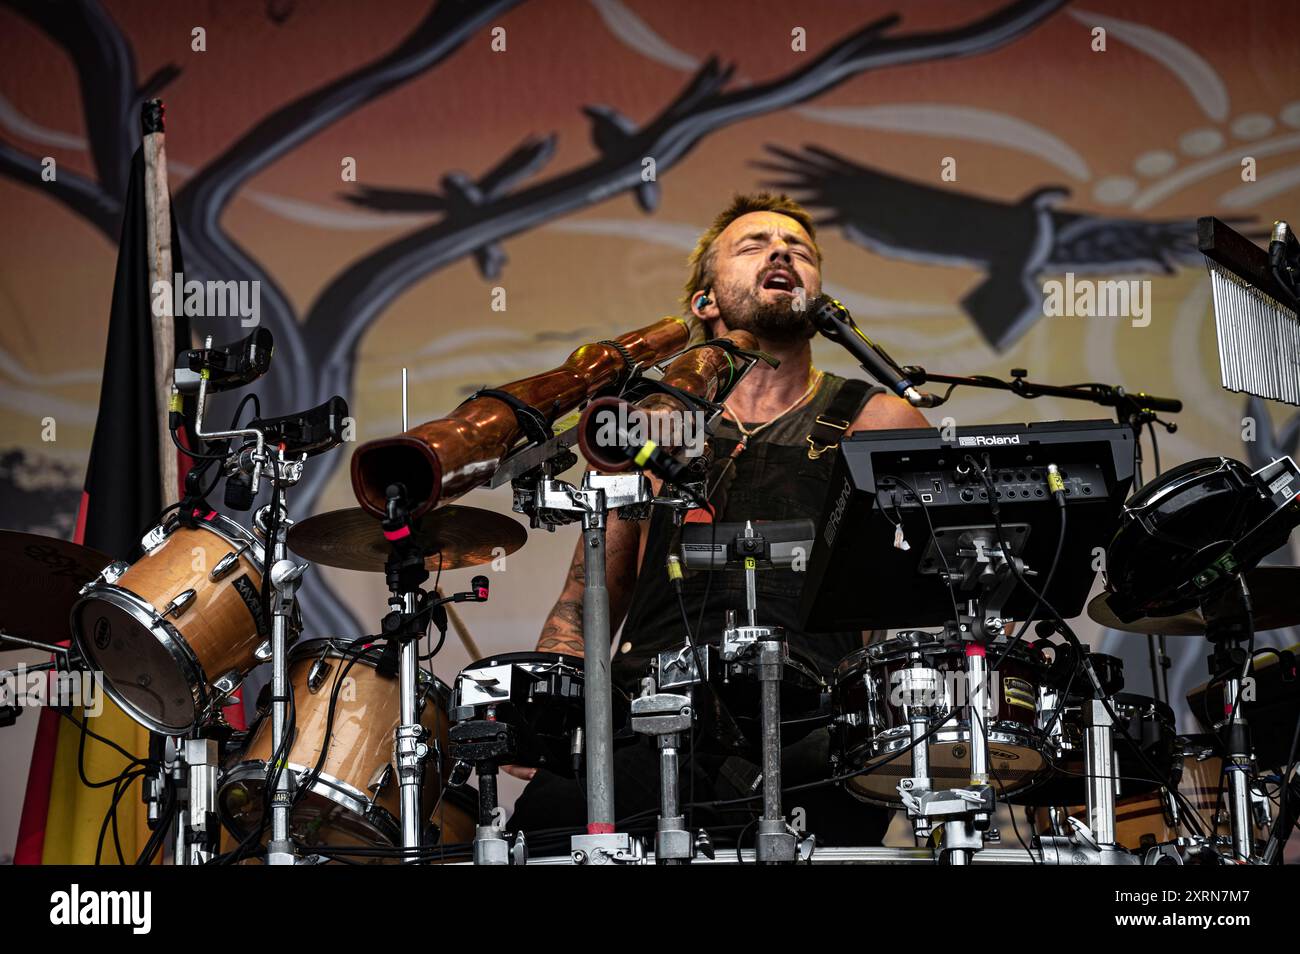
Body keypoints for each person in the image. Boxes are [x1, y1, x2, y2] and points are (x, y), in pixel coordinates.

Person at [507, 192, 929, 853]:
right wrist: (548, 708)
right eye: (754, 244)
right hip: (644, 713)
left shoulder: (880, 419)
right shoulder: (641, 424)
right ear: (706, 301)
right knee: (546, 837)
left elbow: (915, 587)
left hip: (815, 727)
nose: (783, 252)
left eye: (801, 250)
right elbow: (595, 586)